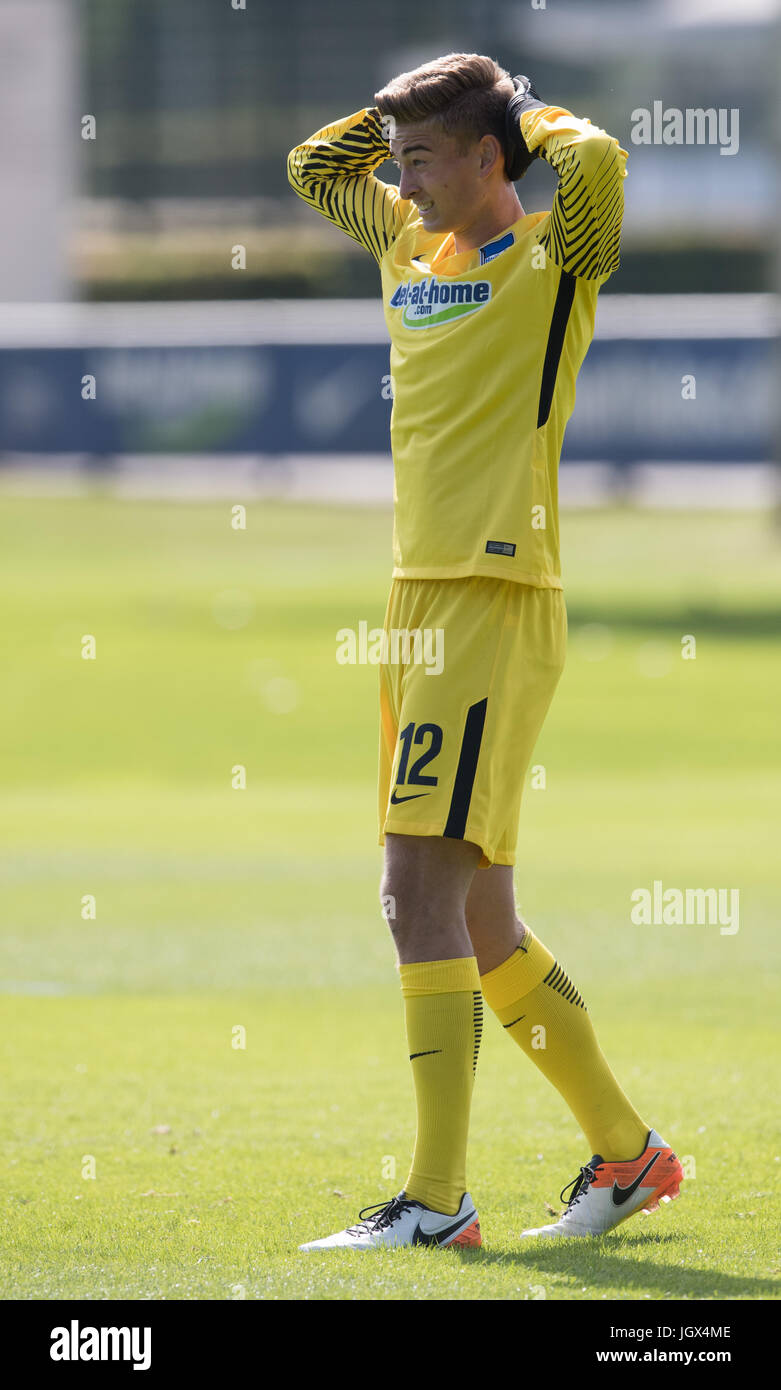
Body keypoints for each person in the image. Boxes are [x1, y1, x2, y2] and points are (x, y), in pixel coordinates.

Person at [287, 52, 683, 1249]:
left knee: (415, 898)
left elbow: (598, 162)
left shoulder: (558, 261)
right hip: (415, 602)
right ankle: (630, 1157)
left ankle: (437, 1200)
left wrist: (514, 104)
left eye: (422, 159)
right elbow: (313, 164)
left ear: (491, 157)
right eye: (396, 162)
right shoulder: (407, 247)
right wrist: (406, 108)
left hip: (494, 597)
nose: (398, 180)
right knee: (481, 920)